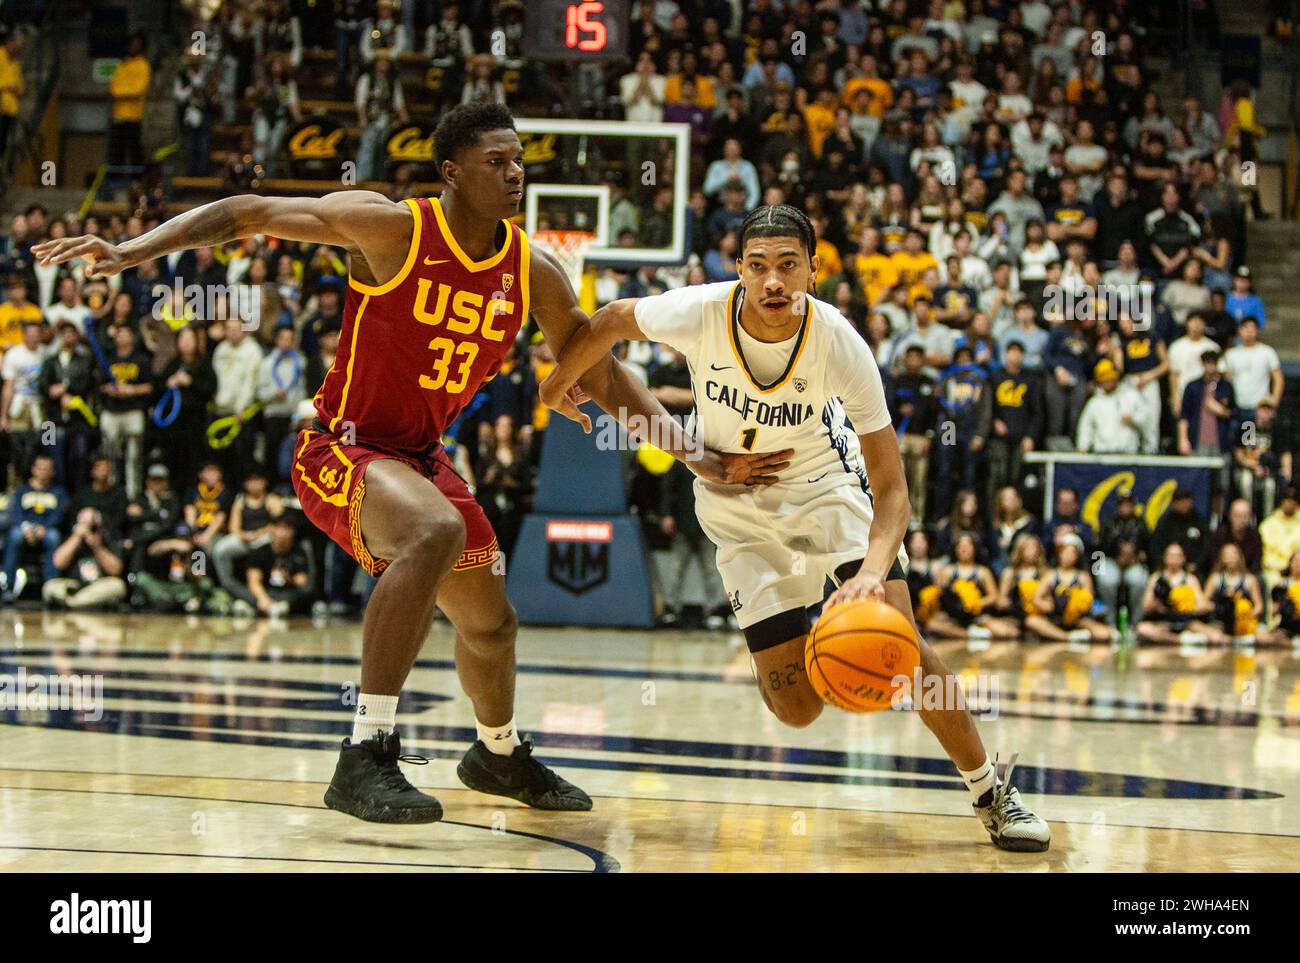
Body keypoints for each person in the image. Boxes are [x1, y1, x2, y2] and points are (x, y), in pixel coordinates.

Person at [36, 103, 748, 825]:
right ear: (451, 172)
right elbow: (247, 211)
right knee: (434, 531)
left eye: (518, 161)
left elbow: (595, 369)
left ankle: (496, 752)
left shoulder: (530, 268)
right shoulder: (391, 228)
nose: (514, 173)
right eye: (496, 162)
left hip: (418, 459)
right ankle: (365, 750)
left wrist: (693, 452)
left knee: (493, 624)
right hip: (340, 445)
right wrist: (132, 252)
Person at [540, 203, 1050, 852]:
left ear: (813, 270)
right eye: (757, 267)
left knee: (901, 640)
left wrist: (868, 575)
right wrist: (560, 382)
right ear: (740, 272)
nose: (772, 281)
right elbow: (608, 321)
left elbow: (893, 492)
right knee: (798, 708)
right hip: (736, 512)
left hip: (827, 496)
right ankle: (819, 623)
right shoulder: (700, 310)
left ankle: (990, 791)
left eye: (788, 266)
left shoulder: (838, 341)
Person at [925, 533, 1019, 642]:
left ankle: (975, 632)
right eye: (961, 547)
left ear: (974, 549)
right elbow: (939, 593)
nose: (964, 550)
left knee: (1005, 632)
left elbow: (994, 596)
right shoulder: (947, 571)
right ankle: (969, 634)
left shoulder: (983, 571)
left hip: (977, 616)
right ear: (956, 549)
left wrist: (976, 604)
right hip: (952, 616)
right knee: (931, 624)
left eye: (968, 546)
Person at [1, 454, 66, 603]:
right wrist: (26, 528)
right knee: (14, 536)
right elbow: (15, 514)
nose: (43, 472)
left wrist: (44, 528)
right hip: (23, 528)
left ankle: (50, 588)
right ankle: (8, 587)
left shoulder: (58, 492)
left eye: (47, 469)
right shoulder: (22, 491)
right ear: (33, 470)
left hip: (46, 530)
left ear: (53, 472)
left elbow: (59, 516)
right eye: (40, 468)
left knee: (54, 537)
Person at [1136, 542, 1229, 645]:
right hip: (1164, 622)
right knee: (1142, 629)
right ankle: (1179, 640)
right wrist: (1160, 605)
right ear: (1165, 558)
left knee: (1216, 636)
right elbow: (1146, 606)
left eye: (1177, 556)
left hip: (1187, 622)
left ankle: (1187, 638)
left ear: (1183, 558)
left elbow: (1203, 606)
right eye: (1171, 555)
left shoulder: (1190, 579)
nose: (1174, 559)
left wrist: (1184, 605)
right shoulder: (1156, 578)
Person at [1026, 534, 1112, 643]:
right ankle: (1067, 637)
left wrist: (1078, 606)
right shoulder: (1050, 575)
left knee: (1103, 634)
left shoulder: (1083, 576)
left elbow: (1090, 600)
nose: (1068, 556)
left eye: (1072, 553)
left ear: (1077, 556)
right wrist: (1045, 606)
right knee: (1031, 621)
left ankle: (1072, 635)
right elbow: (1036, 598)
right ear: (1059, 553)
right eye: (1065, 552)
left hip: (1078, 619)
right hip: (1055, 618)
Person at [42, 507, 128, 610]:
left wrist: (97, 547)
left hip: (98, 587)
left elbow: (116, 570)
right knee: (49, 586)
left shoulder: (107, 540)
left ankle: (72, 603)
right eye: (83, 524)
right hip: (74, 586)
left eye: (91, 525)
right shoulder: (71, 539)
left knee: (118, 586)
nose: (88, 529)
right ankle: (79, 602)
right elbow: (58, 563)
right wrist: (77, 537)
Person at [1204, 543, 1264, 644]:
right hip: (1220, 623)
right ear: (1222, 558)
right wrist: (1217, 608)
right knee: (1213, 637)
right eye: (1227, 555)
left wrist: (1246, 615)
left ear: (1240, 557)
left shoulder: (1250, 579)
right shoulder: (1215, 578)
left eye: (1233, 554)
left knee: (1264, 638)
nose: (1230, 558)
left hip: (1243, 623)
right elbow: (1203, 602)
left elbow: (1259, 606)